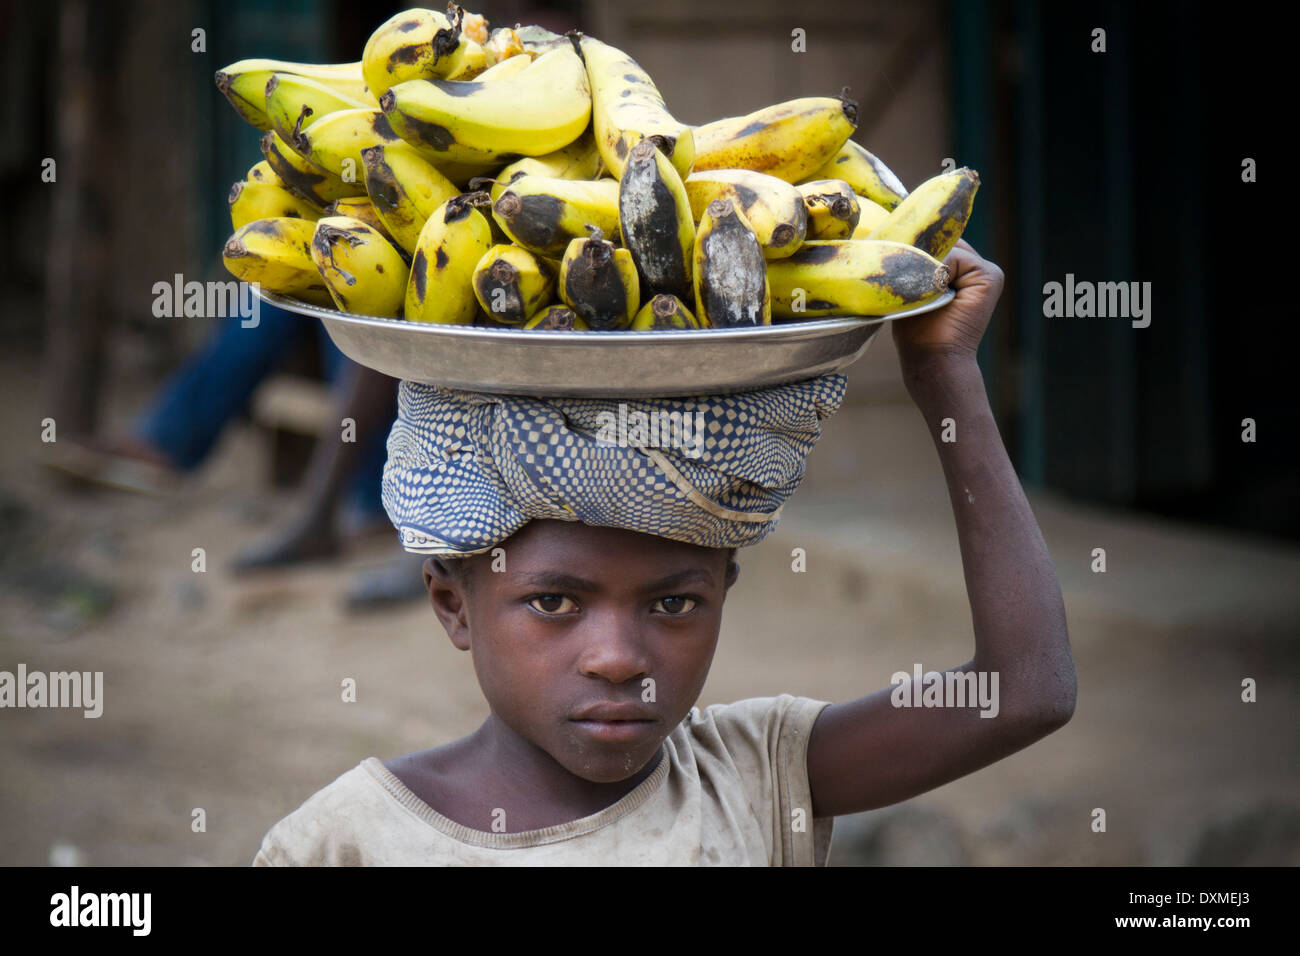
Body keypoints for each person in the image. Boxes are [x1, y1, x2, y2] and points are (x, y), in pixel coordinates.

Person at [252, 242, 1077, 865]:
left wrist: (944, 376)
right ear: (451, 603)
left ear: (727, 591)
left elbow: (1025, 690)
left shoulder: (754, 776)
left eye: (673, 604)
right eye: (554, 603)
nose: (617, 659)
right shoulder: (344, 843)